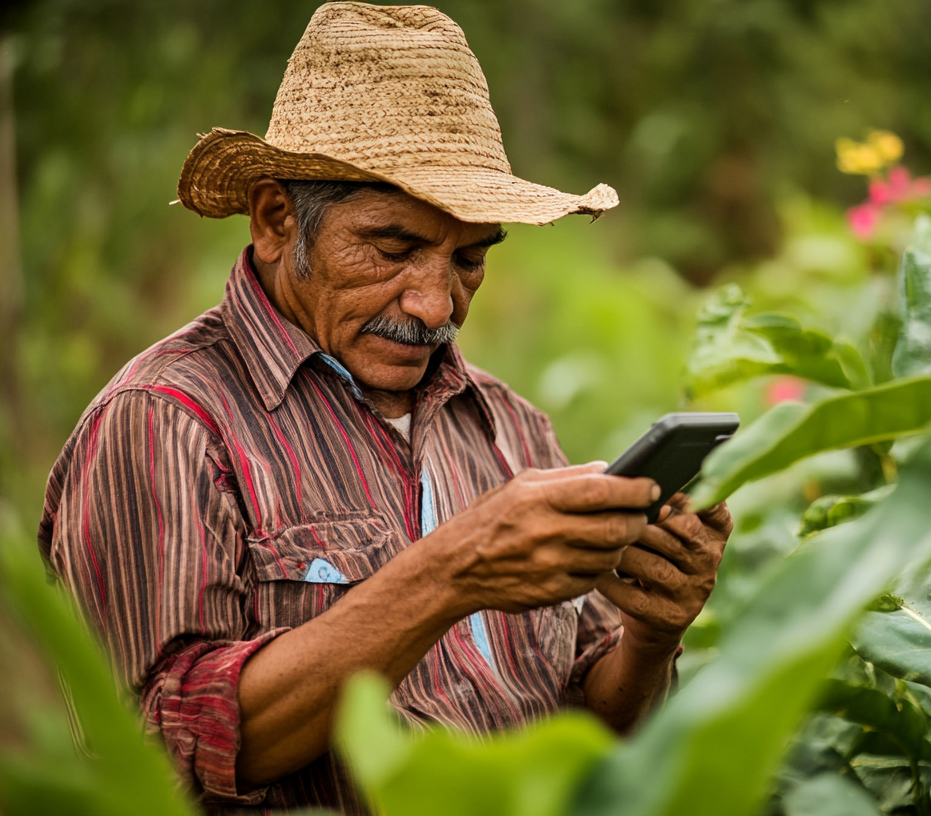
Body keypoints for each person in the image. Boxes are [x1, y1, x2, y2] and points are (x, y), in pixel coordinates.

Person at [36, 4, 731, 813]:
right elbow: (153, 762)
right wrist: (452, 570)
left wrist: (648, 640)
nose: (436, 305)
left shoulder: (509, 428)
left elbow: (582, 740)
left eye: (469, 259)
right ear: (274, 220)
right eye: (393, 249)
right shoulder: (166, 424)